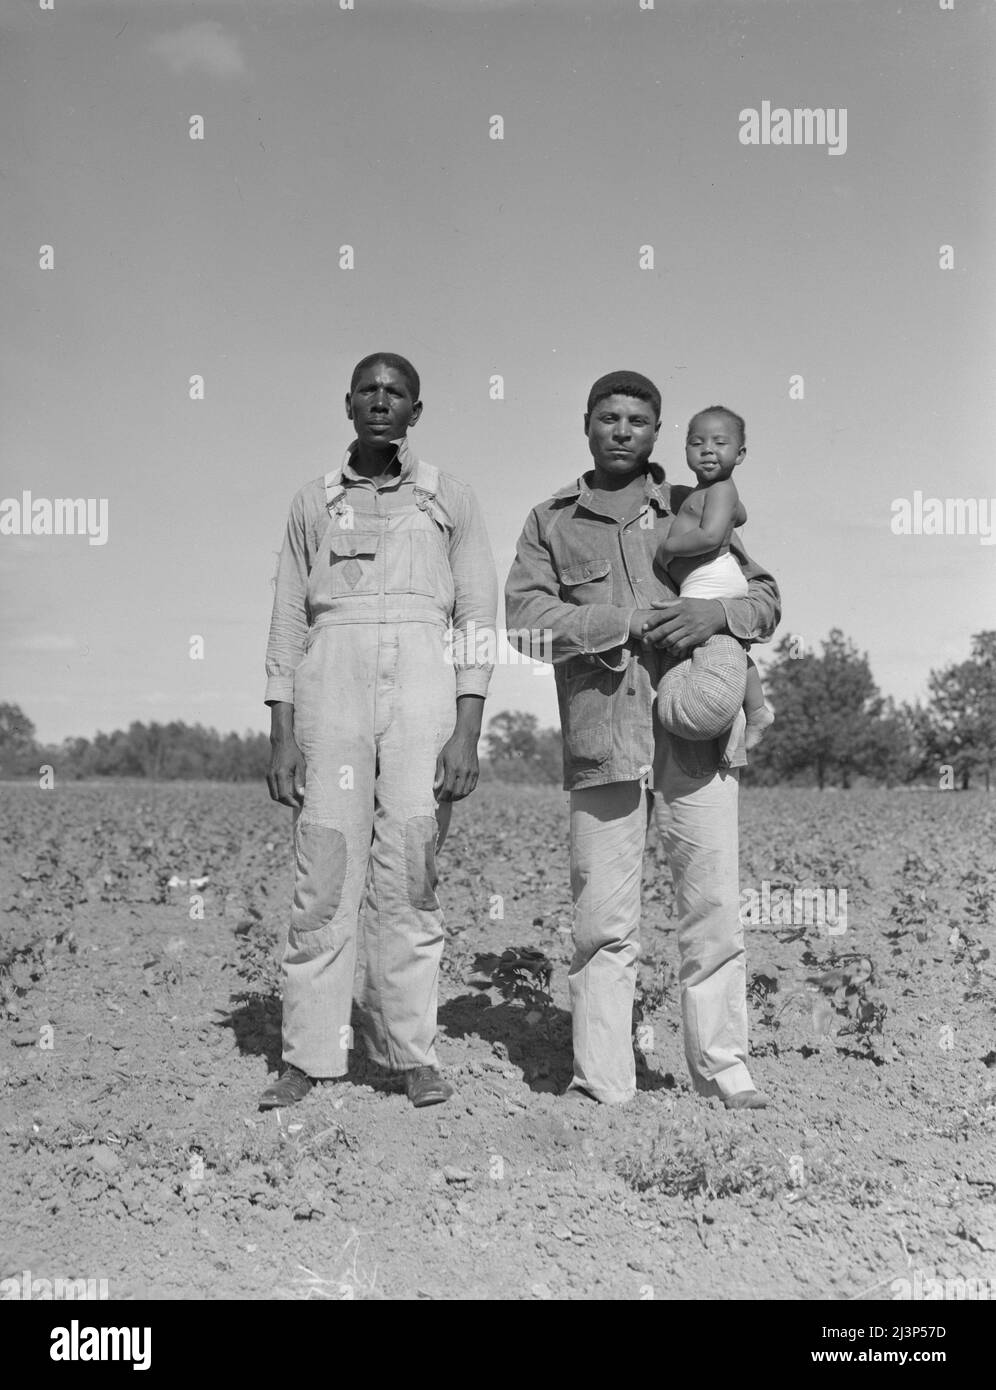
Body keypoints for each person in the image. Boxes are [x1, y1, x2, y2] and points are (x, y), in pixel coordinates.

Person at [505, 370, 780, 1110]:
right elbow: (523, 622)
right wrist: (616, 624)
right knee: (602, 922)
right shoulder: (551, 522)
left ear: (657, 434)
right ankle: (603, 1085)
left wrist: (714, 621)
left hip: (696, 737)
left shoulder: (692, 504)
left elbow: (763, 597)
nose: (623, 430)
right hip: (606, 739)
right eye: (609, 417)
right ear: (587, 423)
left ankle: (724, 1070)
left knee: (714, 909)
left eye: (638, 420)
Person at [260, 352, 498, 1109]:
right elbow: (288, 619)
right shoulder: (312, 502)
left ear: (416, 412)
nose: (381, 402)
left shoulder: (448, 499)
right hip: (330, 687)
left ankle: (410, 1053)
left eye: (396, 393)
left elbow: (478, 620)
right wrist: (282, 731)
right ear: (349, 404)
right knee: (324, 872)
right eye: (369, 390)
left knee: (410, 871)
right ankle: (308, 1055)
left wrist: (467, 729)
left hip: (425, 693)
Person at [654, 405, 774, 755]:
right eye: (697, 442)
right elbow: (742, 515)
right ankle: (756, 709)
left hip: (711, 579)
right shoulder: (713, 491)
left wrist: (667, 549)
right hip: (710, 578)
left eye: (719, 443)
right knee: (728, 647)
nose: (707, 449)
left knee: (705, 645)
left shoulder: (720, 489)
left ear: (740, 454)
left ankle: (753, 711)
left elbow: (708, 537)